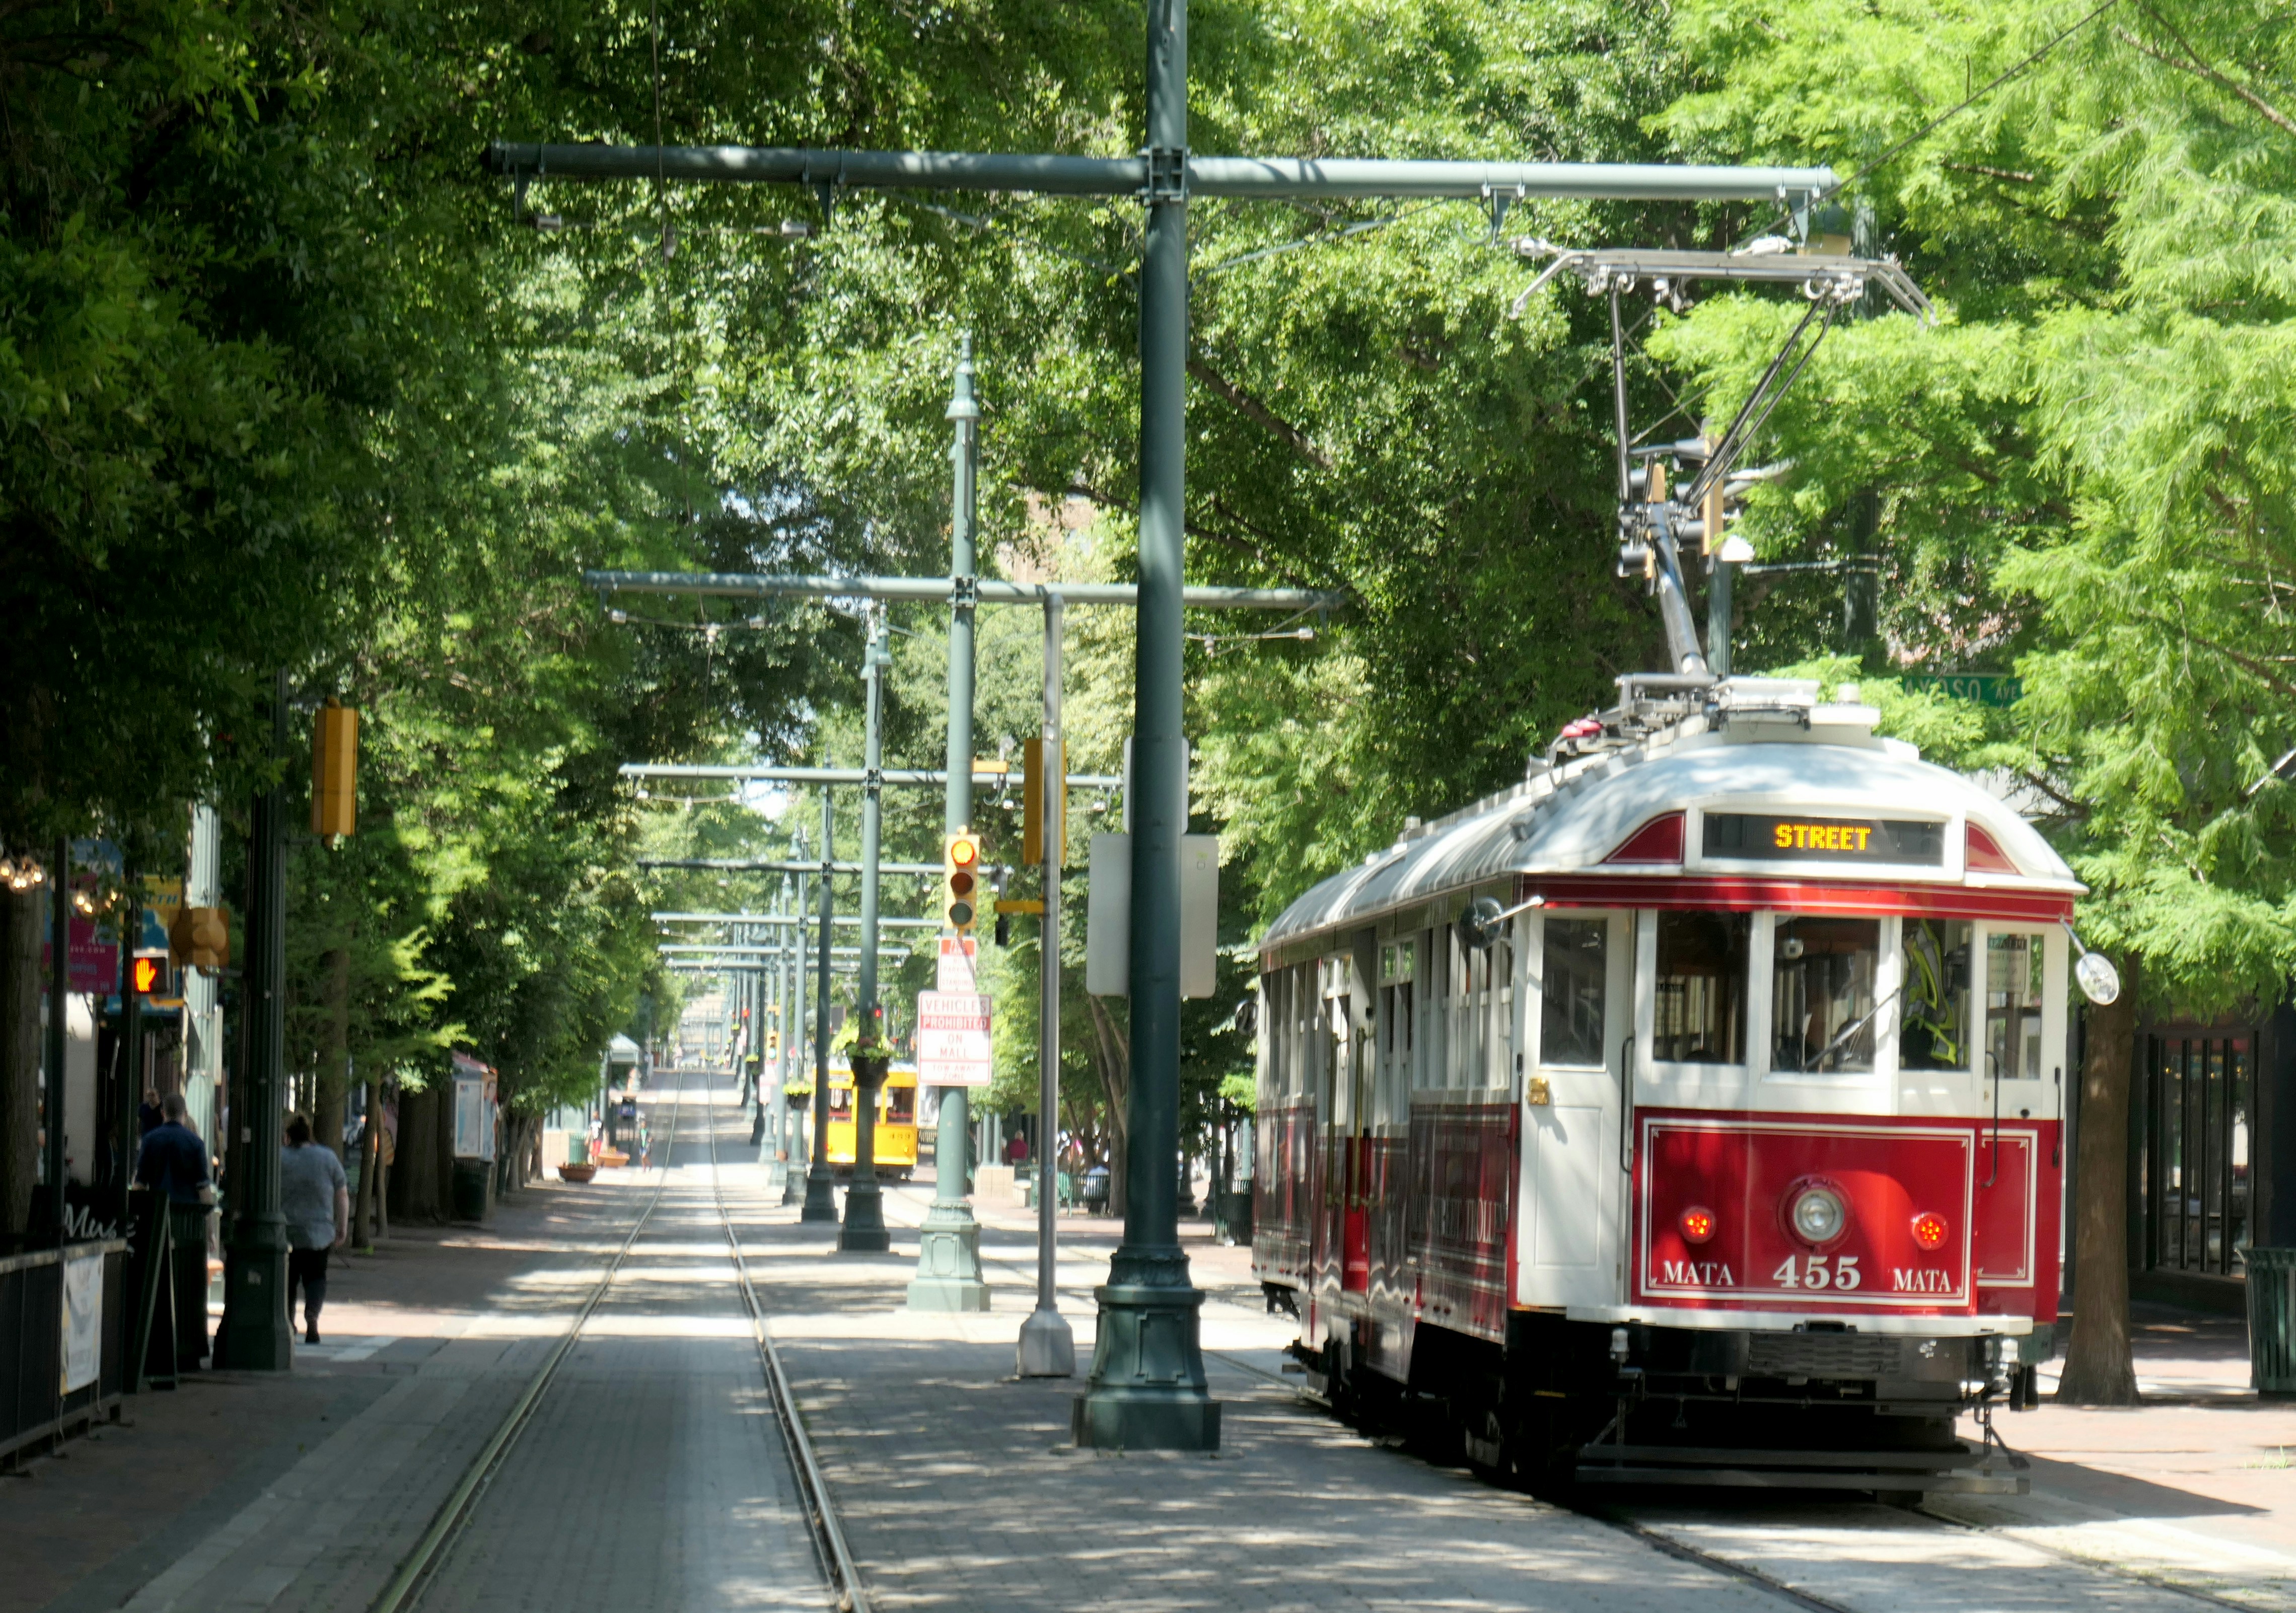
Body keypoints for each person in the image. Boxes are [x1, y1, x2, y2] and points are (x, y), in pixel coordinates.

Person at [279, 1114, 348, 1344]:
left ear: (288, 1136)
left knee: (288, 1280)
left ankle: (287, 1322)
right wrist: (342, 1226)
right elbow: (342, 1193)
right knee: (316, 1277)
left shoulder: (279, 1158)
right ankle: (312, 1319)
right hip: (319, 1233)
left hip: (286, 1232)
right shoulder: (327, 1158)